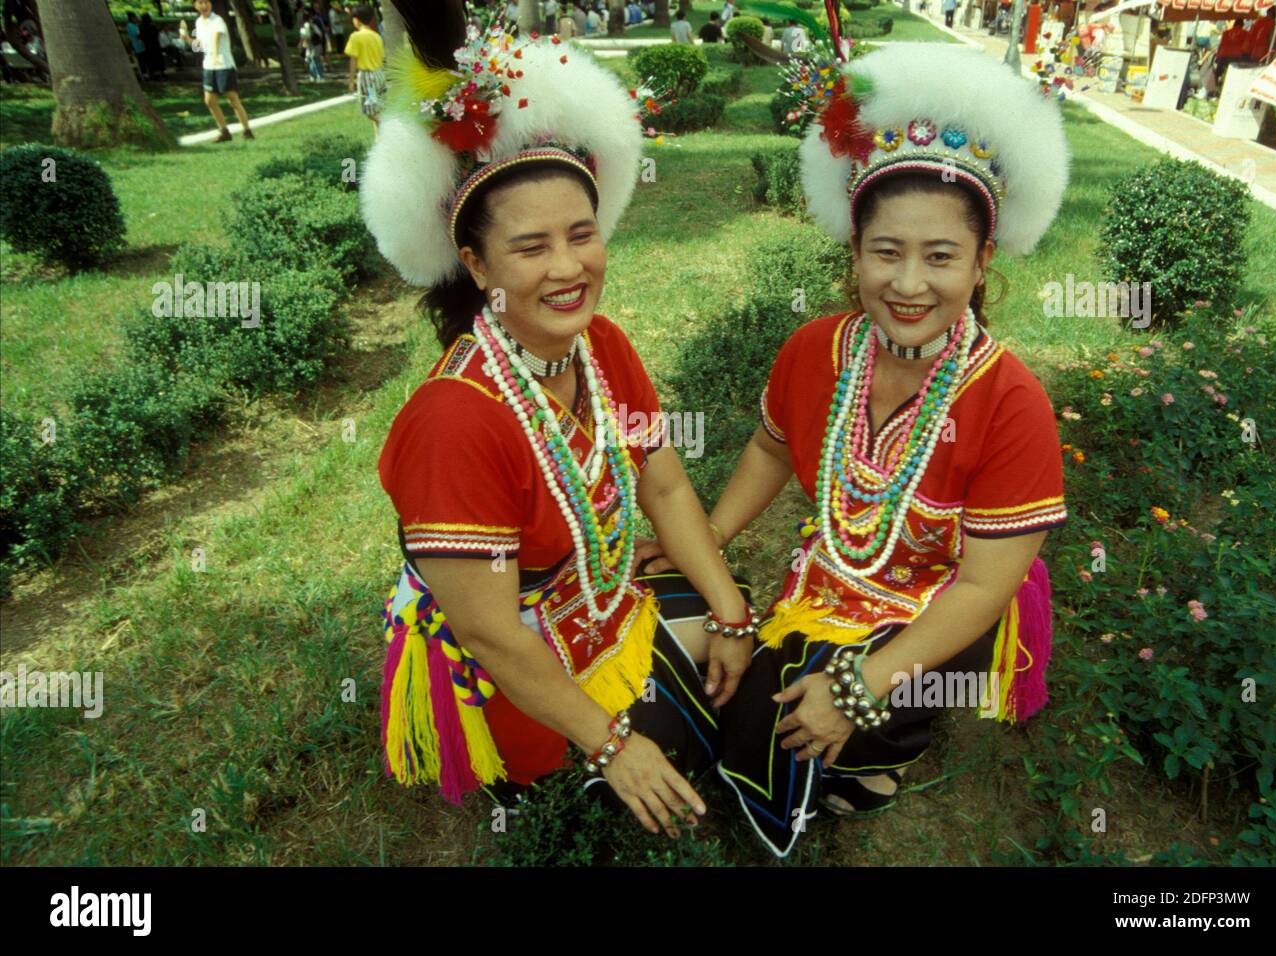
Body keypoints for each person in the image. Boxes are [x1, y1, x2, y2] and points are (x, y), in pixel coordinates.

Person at [638, 43, 1071, 858]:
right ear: (854, 249)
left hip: (942, 609)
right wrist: (711, 540)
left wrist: (861, 685)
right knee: (710, 684)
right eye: (887, 251)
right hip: (824, 587)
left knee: (811, 719)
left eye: (941, 256)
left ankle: (884, 749)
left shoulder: (1012, 401)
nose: (909, 283)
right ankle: (828, 722)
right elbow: (771, 451)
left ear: (983, 261)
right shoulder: (816, 351)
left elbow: (982, 586)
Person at [361, 0, 755, 836]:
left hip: (602, 600)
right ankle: (558, 775)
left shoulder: (600, 345)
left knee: (749, 667)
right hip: (514, 667)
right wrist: (614, 746)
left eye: (583, 234)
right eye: (531, 248)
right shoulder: (454, 421)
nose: (569, 267)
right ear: (475, 264)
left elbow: (666, 485)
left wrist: (729, 611)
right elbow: (490, 630)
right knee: (686, 751)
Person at [182, 0, 253, 142]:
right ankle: (224, 132)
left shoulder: (217, 20)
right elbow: (200, 46)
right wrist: (187, 39)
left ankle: (247, 131)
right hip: (209, 66)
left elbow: (216, 39)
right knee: (209, 101)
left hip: (223, 65)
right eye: (200, 3)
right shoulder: (198, 22)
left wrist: (214, 55)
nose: (204, 5)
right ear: (195, 6)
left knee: (232, 99)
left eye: (206, 2)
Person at [345, 4, 385, 138]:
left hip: (368, 79)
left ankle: (390, 127)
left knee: (371, 111)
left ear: (356, 19)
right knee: (378, 107)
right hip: (379, 75)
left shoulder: (356, 37)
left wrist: (351, 81)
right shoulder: (377, 36)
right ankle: (380, 139)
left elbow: (353, 61)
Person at [300, 15, 326, 81]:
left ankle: (317, 76)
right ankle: (315, 76)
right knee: (312, 60)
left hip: (314, 45)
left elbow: (320, 35)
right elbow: (320, 35)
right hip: (312, 45)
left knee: (314, 60)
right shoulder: (307, 27)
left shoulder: (312, 27)